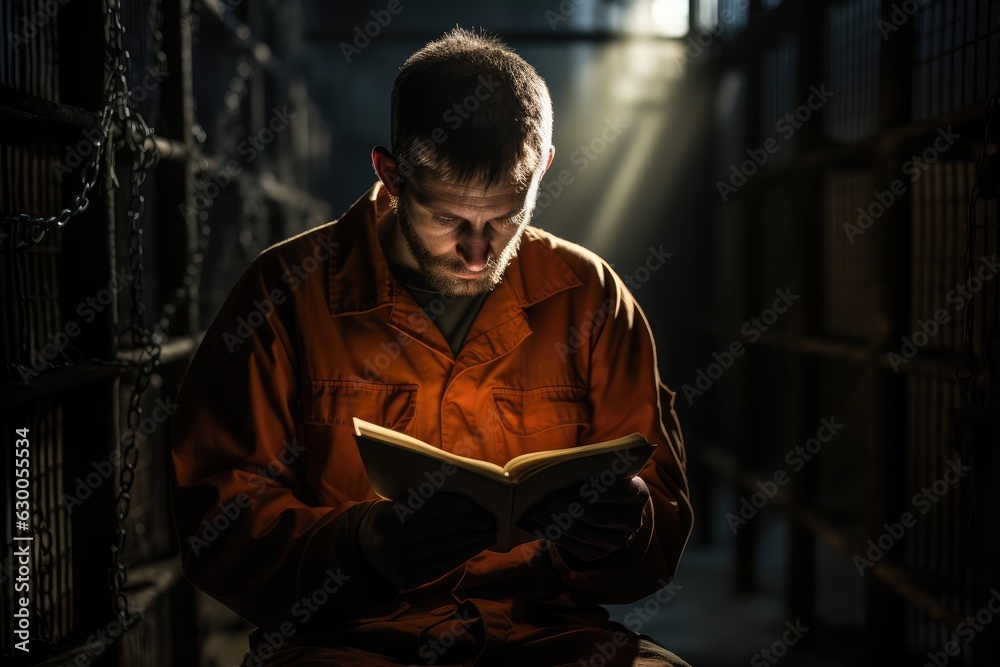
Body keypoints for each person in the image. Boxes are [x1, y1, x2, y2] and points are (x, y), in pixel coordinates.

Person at [170, 28, 693, 667]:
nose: (479, 252)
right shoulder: (285, 293)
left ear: (544, 168)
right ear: (390, 175)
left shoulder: (590, 297)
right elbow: (216, 513)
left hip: (547, 638)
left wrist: (625, 530)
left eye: (505, 217)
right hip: (349, 640)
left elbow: (659, 518)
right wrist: (355, 546)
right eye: (447, 219)